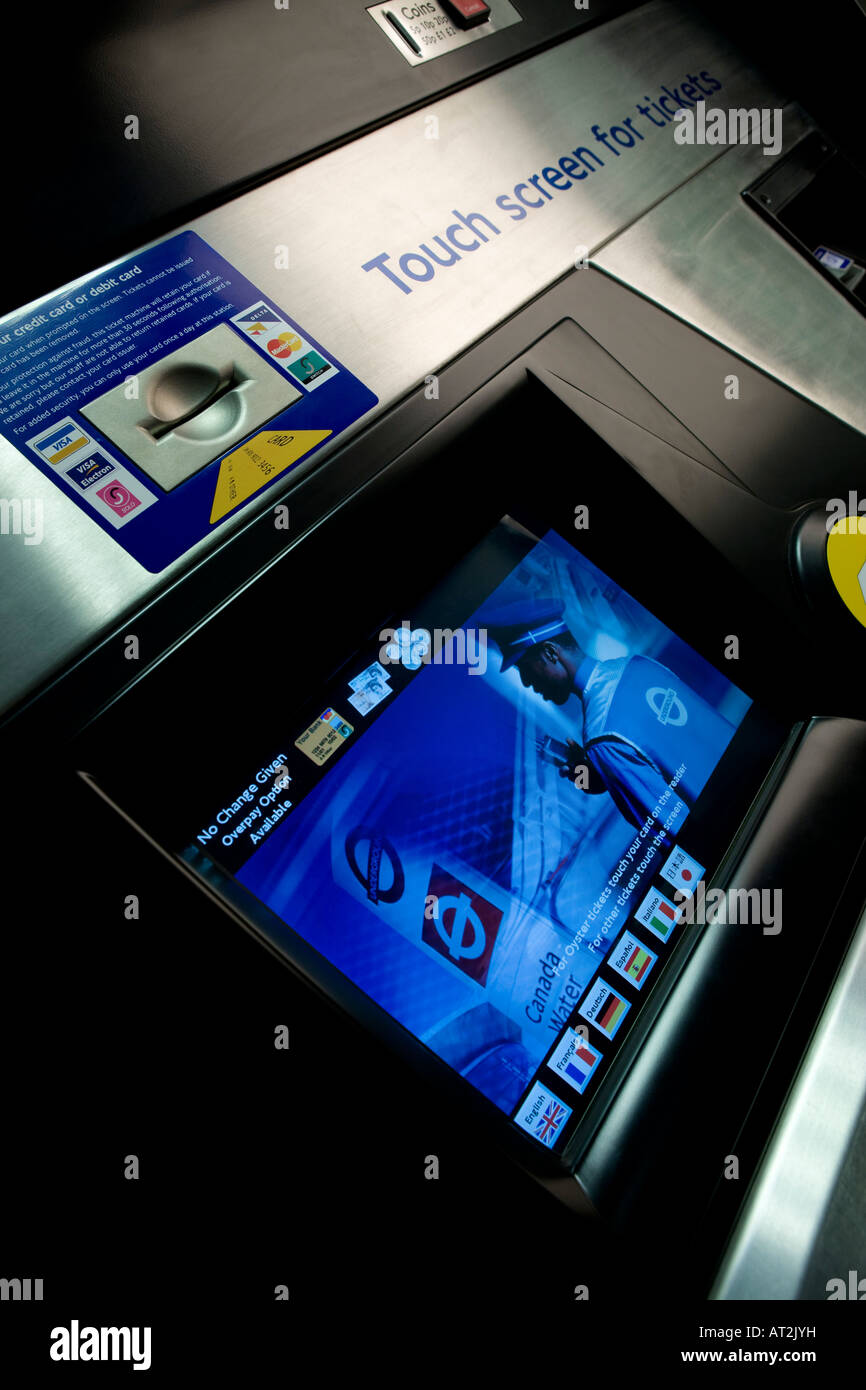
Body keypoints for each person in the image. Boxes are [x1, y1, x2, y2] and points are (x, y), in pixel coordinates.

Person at [485, 598, 737, 843]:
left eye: (526, 670)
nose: (527, 684)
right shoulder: (641, 665)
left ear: (551, 653)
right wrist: (605, 776)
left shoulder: (601, 737)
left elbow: (675, 833)